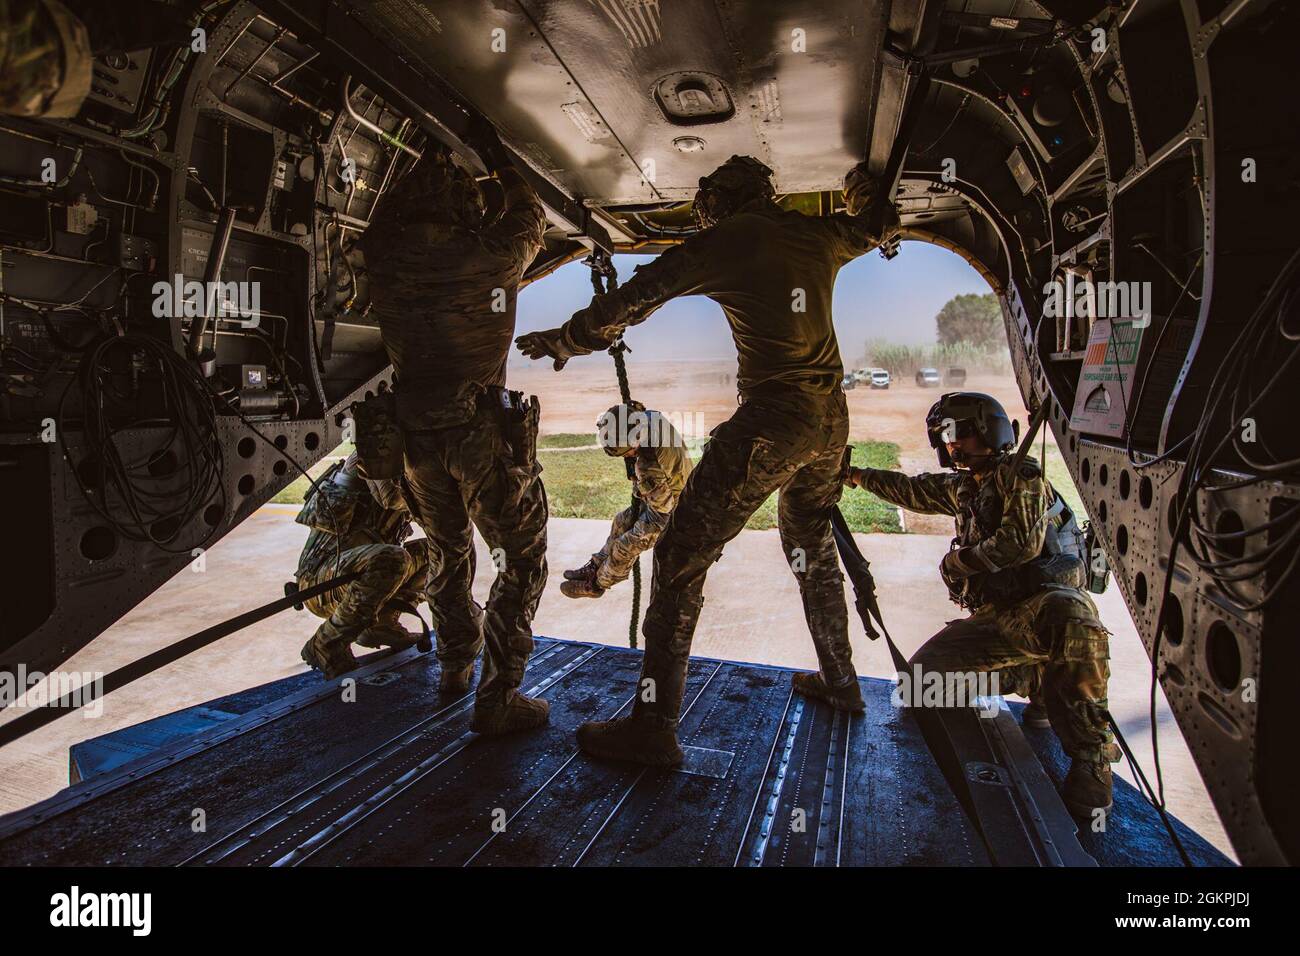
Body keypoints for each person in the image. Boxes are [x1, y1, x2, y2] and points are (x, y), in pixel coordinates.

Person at [517, 154, 894, 765]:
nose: (702, 209)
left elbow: (634, 301)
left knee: (678, 555)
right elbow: (877, 224)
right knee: (812, 545)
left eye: (706, 198)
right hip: (830, 420)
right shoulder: (813, 232)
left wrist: (563, 340)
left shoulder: (727, 240)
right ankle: (841, 681)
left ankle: (653, 725)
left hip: (773, 422)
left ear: (720, 200)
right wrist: (864, 188)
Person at [357, 124, 551, 734]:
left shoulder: (381, 255)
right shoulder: (489, 256)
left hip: (414, 442)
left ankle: (454, 665)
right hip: (479, 438)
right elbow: (529, 214)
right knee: (520, 560)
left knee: (447, 550)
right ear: (463, 208)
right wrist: (495, 154)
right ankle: (498, 699)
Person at [843, 391, 1119, 815]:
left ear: (985, 431)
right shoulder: (967, 488)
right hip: (999, 620)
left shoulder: (1022, 477)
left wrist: (957, 562)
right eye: (944, 437)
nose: (949, 445)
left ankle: (1092, 760)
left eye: (956, 434)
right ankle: (1038, 680)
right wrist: (855, 474)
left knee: (1071, 613)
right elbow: (912, 490)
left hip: (1041, 610)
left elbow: (1019, 546)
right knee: (919, 685)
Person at [296, 453, 427, 679]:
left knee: (436, 553)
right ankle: (327, 642)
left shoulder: (408, 463)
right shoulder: (369, 456)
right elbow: (391, 498)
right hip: (322, 582)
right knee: (393, 558)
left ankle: (382, 624)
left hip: (358, 574)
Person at [561, 403, 692, 599]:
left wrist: (637, 525)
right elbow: (631, 412)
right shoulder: (646, 418)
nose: (627, 457)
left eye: (627, 453)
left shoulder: (651, 466)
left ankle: (597, 584)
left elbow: (659, 516)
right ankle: (596, 565)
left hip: (674, 511)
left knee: (626, 545)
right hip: (664, 495)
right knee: (621, 521)